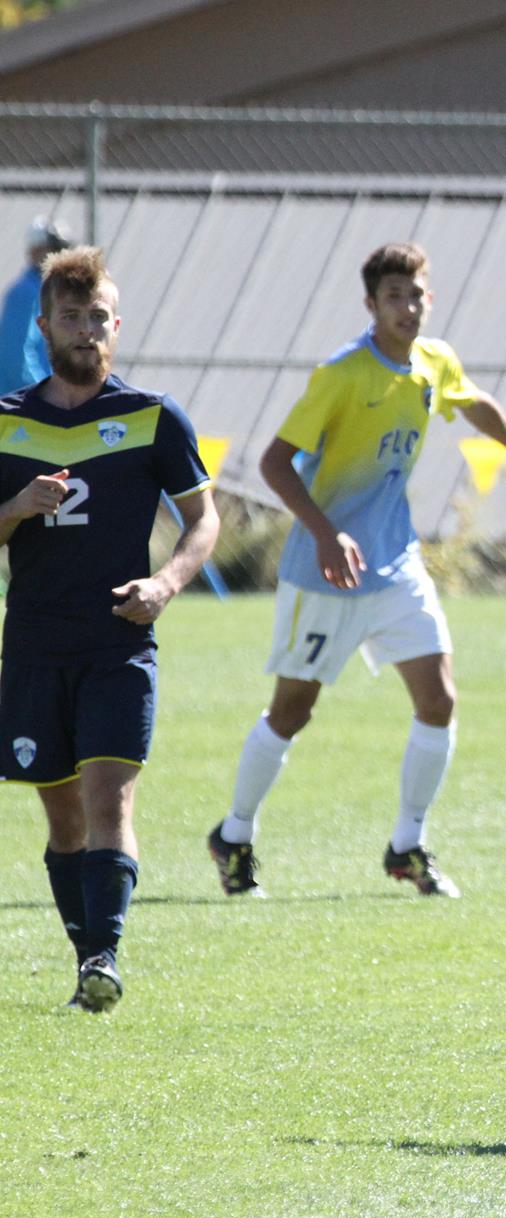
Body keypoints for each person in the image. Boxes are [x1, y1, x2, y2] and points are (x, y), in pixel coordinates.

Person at [206, 241, 506, 899]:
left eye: (417, 294)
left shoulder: (434, 360)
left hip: (395, 563)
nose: (408, 306)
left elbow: (471, 398)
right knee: (292, 712)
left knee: (439, 697)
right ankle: (233, 832)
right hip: (326, 573)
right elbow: (274, 462)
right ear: (371, 305)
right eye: (394, 296)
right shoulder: (342, 375)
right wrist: (324, 533)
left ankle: (407, 845)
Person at [0, 245, 220, 1012]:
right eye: (72, 317)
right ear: (45, 326)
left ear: (117, 326)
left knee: (108, 800)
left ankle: (105, 954)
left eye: (100, 318)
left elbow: (204, 519)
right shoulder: (7, 423)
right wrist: (15, 509)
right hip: (31, 644)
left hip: (119, 640)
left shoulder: (153, 417)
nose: (87, 330)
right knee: (62, 816)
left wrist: (166, 581)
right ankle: (86, 956)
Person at [0, 216, 70, 392]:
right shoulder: (25, 293)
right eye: (53, 250)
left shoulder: (48, 290)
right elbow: (17, 355)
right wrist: (42, 393)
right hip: (24, 403)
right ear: (35, 252)